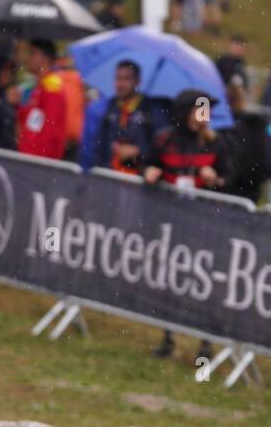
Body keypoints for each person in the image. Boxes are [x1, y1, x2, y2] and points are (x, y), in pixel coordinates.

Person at [142, 87, 224, 360]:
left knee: (204, 284)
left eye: (208, 110)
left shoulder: (214, 143)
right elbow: (148, 163)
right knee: (170, 280)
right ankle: (168, 338)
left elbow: (231, 177)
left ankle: (205, 343)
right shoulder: (165, 140)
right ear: (185, 112)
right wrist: (150, 172)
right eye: (200, 109)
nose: (205, 115)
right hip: (172, 223)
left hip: (204, 225)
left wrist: (216, 179)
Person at [78, 59, 165, 173]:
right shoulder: (108, 107)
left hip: (138, 180)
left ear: (137, 82)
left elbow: (161, 148)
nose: (121, 83)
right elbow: (97, 145)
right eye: (118, 78)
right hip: (108, 176)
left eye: (126, 79)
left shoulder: (151, 111)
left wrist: (139, 151)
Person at [16, 38, 70, 160]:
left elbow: (52, 133)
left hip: (39, 165)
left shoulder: (52, 88)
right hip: (29, 159)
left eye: (33, 53)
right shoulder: (40, 86)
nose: (28, 59)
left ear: (46, 58)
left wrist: (40, 162)